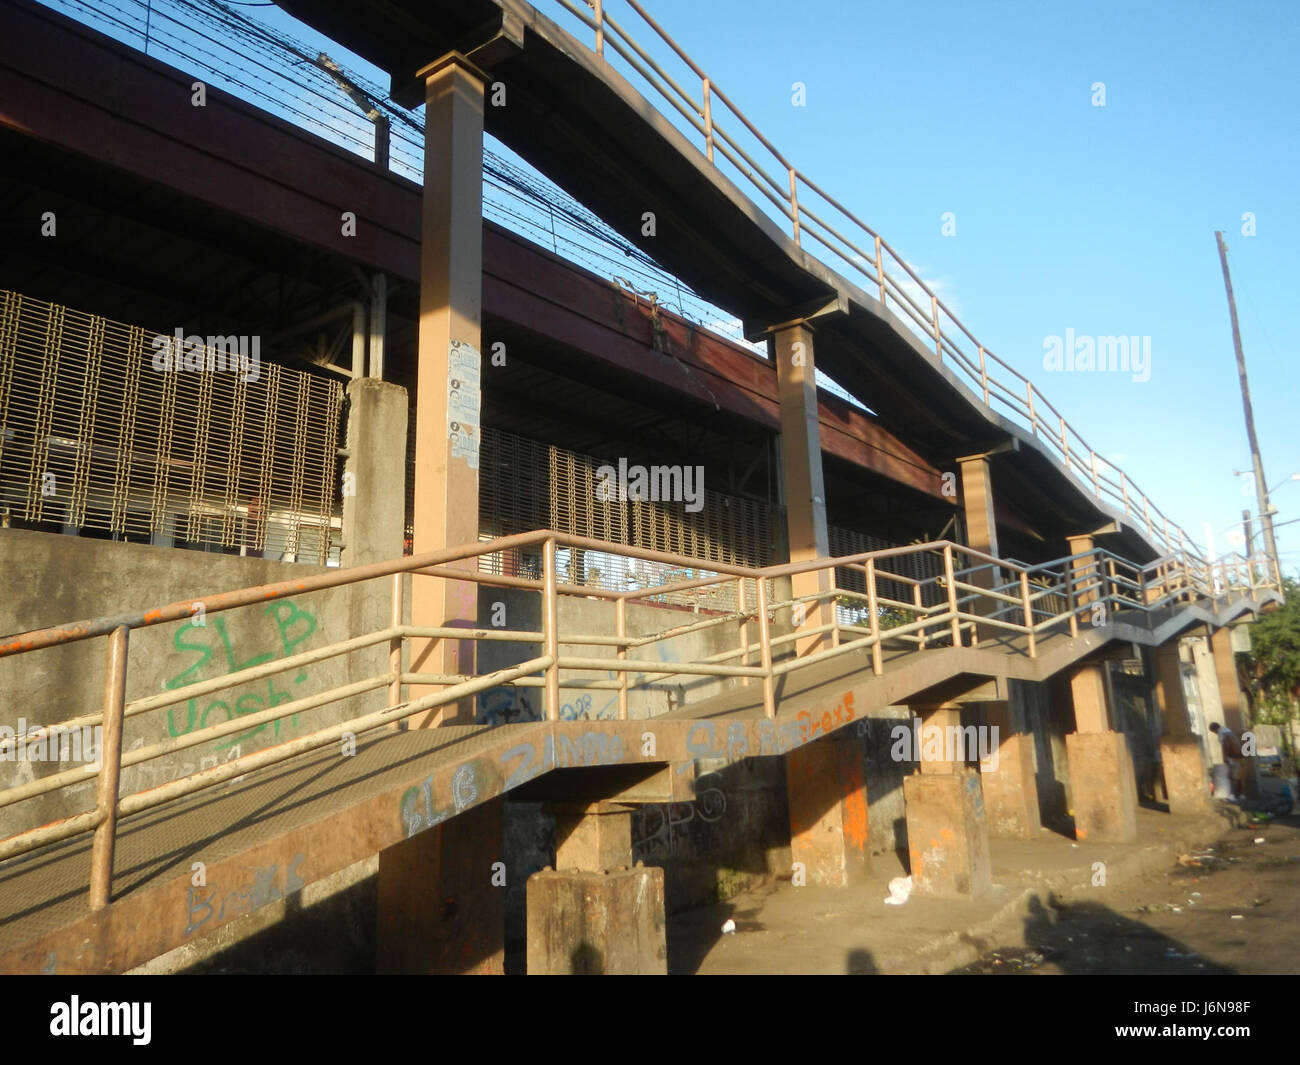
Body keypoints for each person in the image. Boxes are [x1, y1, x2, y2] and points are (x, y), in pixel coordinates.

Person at [1209, 722, 1244, 800]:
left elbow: (1226, 746)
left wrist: (1225, 758)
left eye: (1213, 732)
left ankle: (1232, 795)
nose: (1215, 733)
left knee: (1231, 776)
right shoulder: (1228, 731)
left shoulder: (1222, 733)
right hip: (1239, 756)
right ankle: (1241, 794)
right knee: (1238, 776)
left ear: (1215, 729)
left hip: (1233, 757)